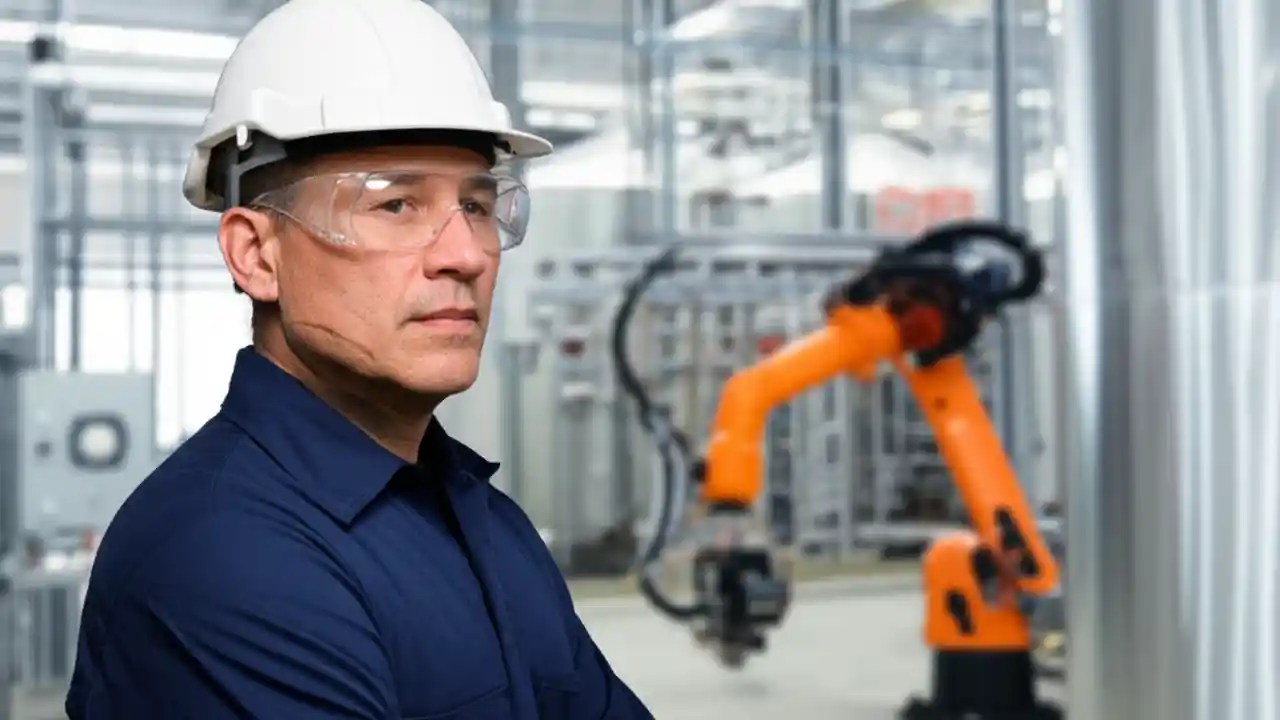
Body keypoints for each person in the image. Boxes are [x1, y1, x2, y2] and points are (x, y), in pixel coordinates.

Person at [64, 0, 652, 717]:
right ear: (256, 254)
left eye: (475, 205)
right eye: (395, 205)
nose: (465, 255)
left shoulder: (484, 520)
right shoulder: (218, 560)